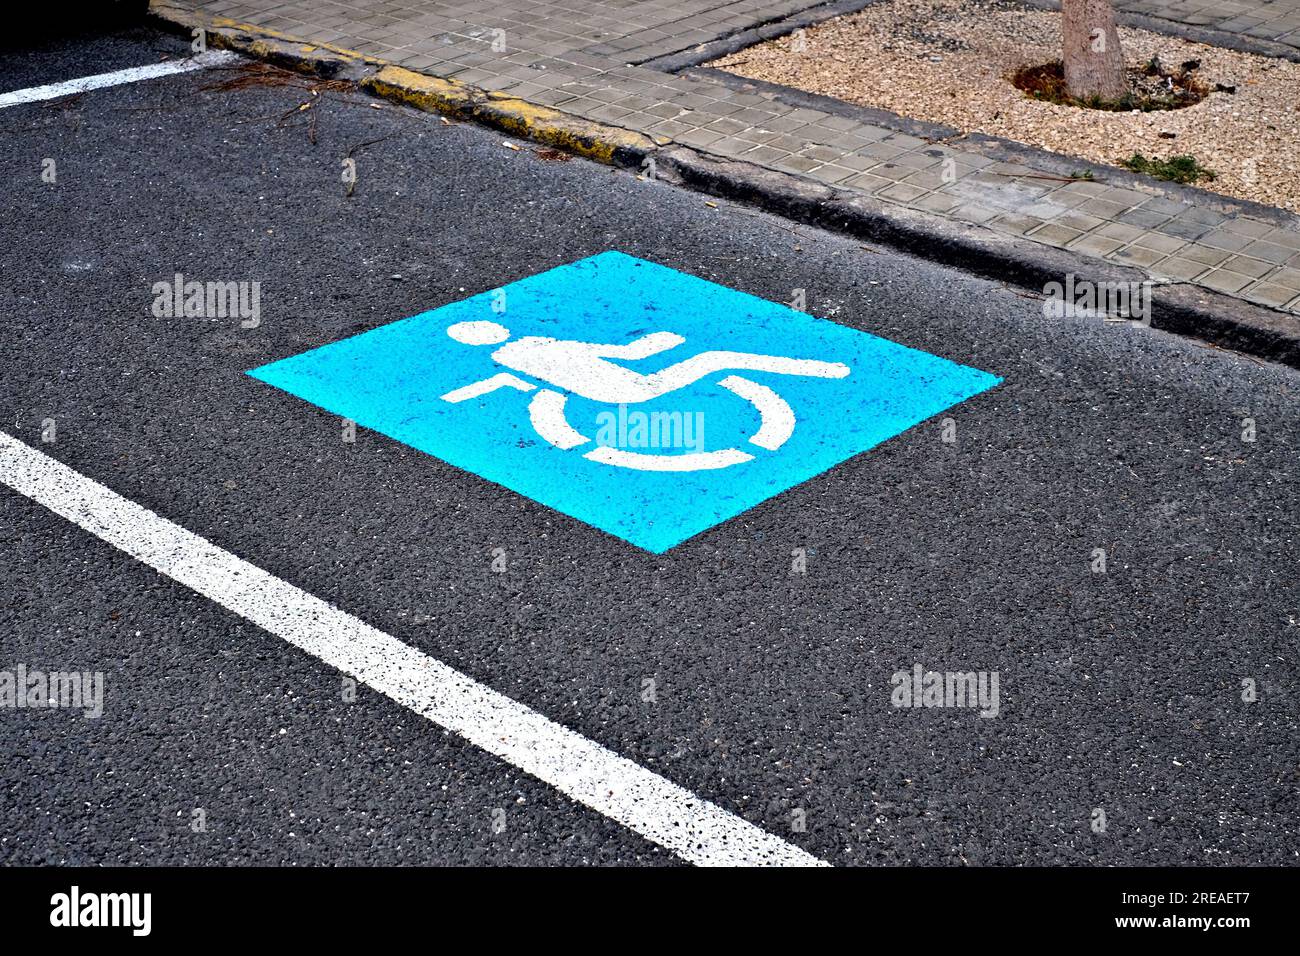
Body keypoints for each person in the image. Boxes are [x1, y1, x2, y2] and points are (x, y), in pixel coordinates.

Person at [443, 320, 849, 405]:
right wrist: (658, 342)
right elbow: (625, 355)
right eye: (481, 326)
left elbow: (520, 383)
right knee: (716, 357)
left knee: (713, 360)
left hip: (608, 396)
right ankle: (818, 370)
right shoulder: (533, 343)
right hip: (632, 389)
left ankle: (817, 370)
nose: (488, 326)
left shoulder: (510, 357)